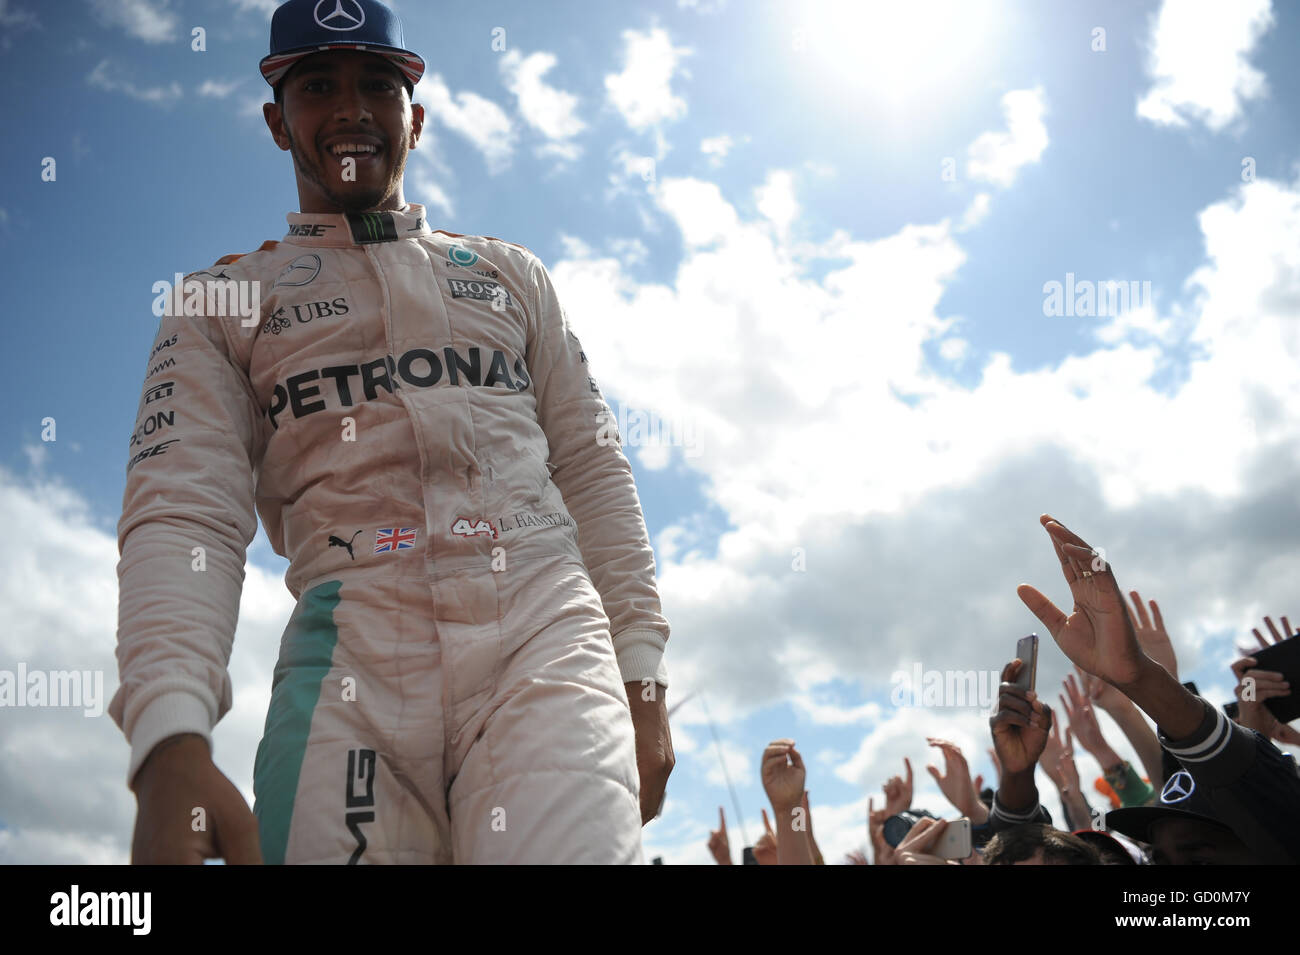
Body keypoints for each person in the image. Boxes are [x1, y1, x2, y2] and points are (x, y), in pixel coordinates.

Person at [110, 0, 673, 864]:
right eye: (318, 84)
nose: (350, 108)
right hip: (349, 655)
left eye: (377, 81)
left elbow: (594, 469)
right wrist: (167, 732)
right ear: (275, 121)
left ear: (416, 114)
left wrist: (640, 671)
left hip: (544, 628)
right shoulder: (219, 301)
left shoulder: (511, 274)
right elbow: (185, 512)